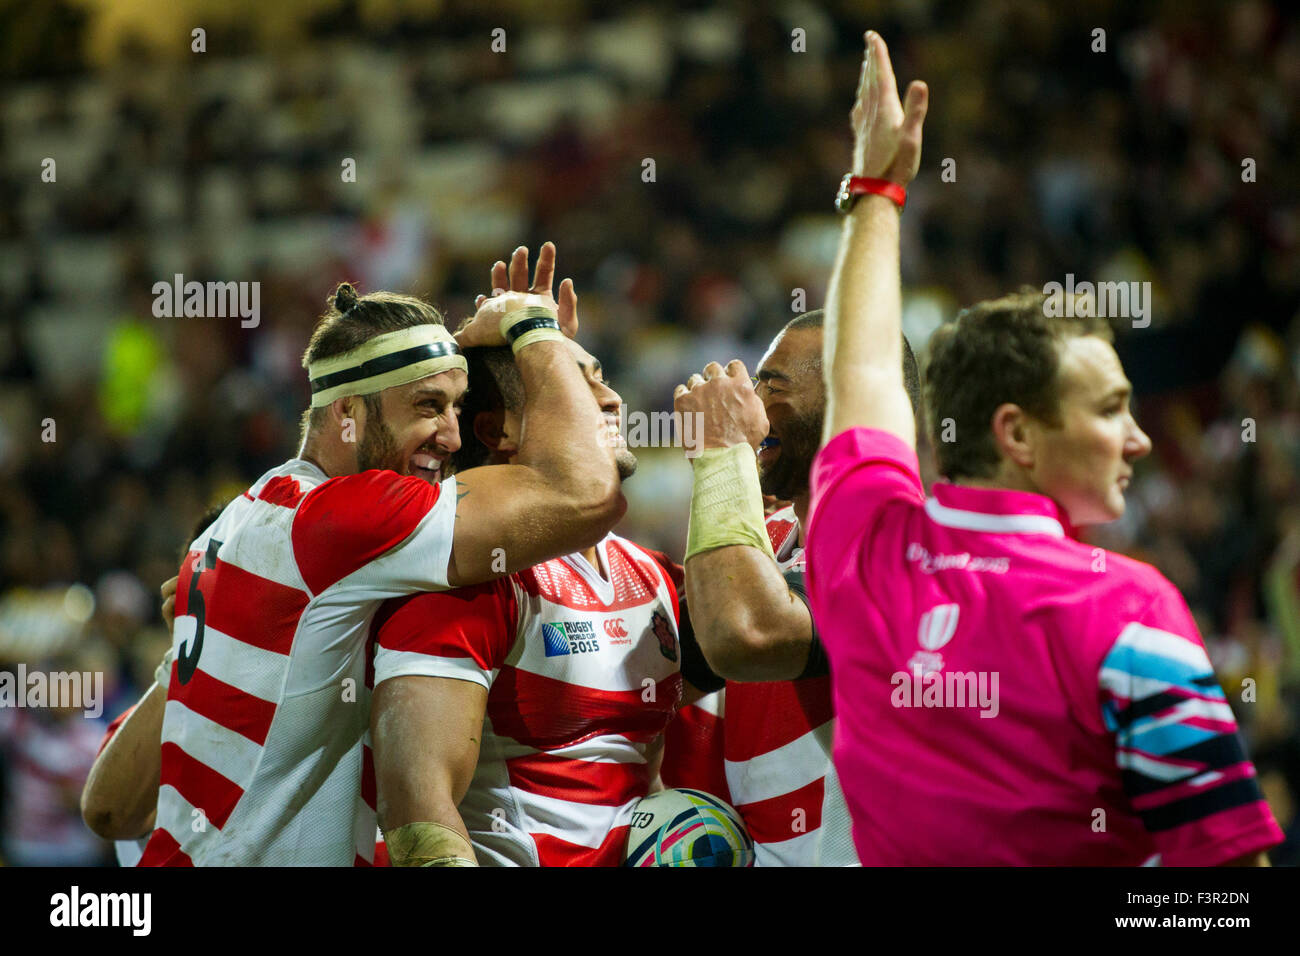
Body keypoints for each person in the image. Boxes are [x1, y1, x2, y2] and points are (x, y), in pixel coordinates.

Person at [803, 31, 1283, 865]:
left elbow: (867, 372)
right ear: (1017, 432)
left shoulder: (862, 545)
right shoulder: (1133, 609)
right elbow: (1229, 878)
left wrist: (875, 188)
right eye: (1110, 409)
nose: (1138, 438)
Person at [133, 243, 626, 866]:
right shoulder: (345, 520)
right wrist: (536, 333)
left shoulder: (235, 522)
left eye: (457, 407)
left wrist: (530, 381)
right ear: (346, 413)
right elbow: (583, 495)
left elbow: (107, 808)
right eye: (427, 407)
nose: (450, 435)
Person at [365, 257, 712, 866]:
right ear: (497, 430)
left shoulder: (651, 573)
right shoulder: (464, 582)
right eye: (574, 389)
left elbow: (640, 783)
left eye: (599, 377)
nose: (607, 399)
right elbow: (419, 813)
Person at [670, 312, 920, 866]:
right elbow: (667, 675)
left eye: (773, 385)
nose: (752, 404)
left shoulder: (904, 538)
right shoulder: (776, 534)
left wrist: (720, 453)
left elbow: (748, 635)